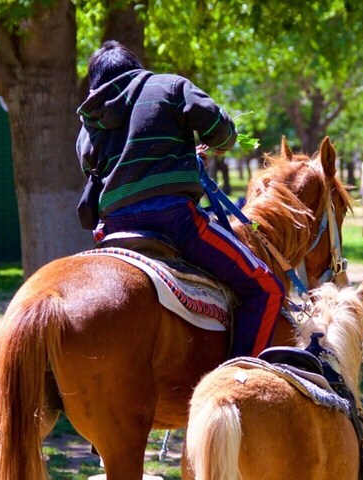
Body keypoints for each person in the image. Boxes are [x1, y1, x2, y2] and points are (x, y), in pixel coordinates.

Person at [74, 41, 285, 358]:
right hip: (174, 222)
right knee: (266, 289)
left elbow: (90, 164)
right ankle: (240, 376)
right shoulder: (169, 86)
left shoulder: (90, 119)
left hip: (113, 229)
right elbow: (222, 132)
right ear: (134, 65)